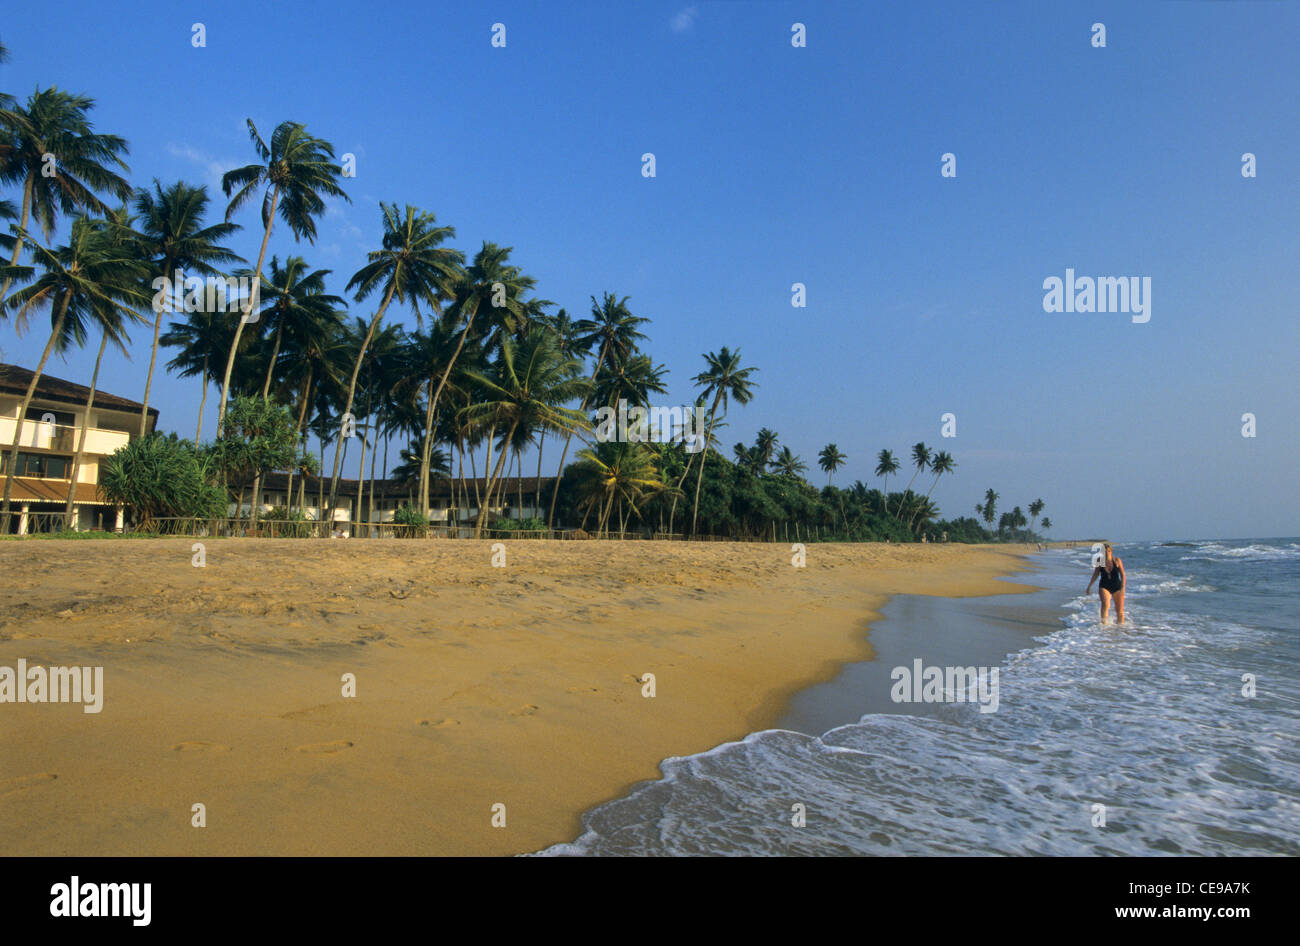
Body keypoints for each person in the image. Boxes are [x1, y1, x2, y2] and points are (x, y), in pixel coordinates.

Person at [1085, 542, 1126, 624]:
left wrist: (1123, 587)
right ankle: (1104, 626)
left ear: (1111, 551)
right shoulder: (1099, 561)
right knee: (1105, 605)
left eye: (1108, 551)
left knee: (1119, 610)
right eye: (1104, 551)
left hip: (1116, 586)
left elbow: (1123, 575)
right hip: (1104, 585)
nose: (1107, 553)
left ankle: (1121, 629)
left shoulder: (1117, 560)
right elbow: (1096, 574)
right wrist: (1089, 586)